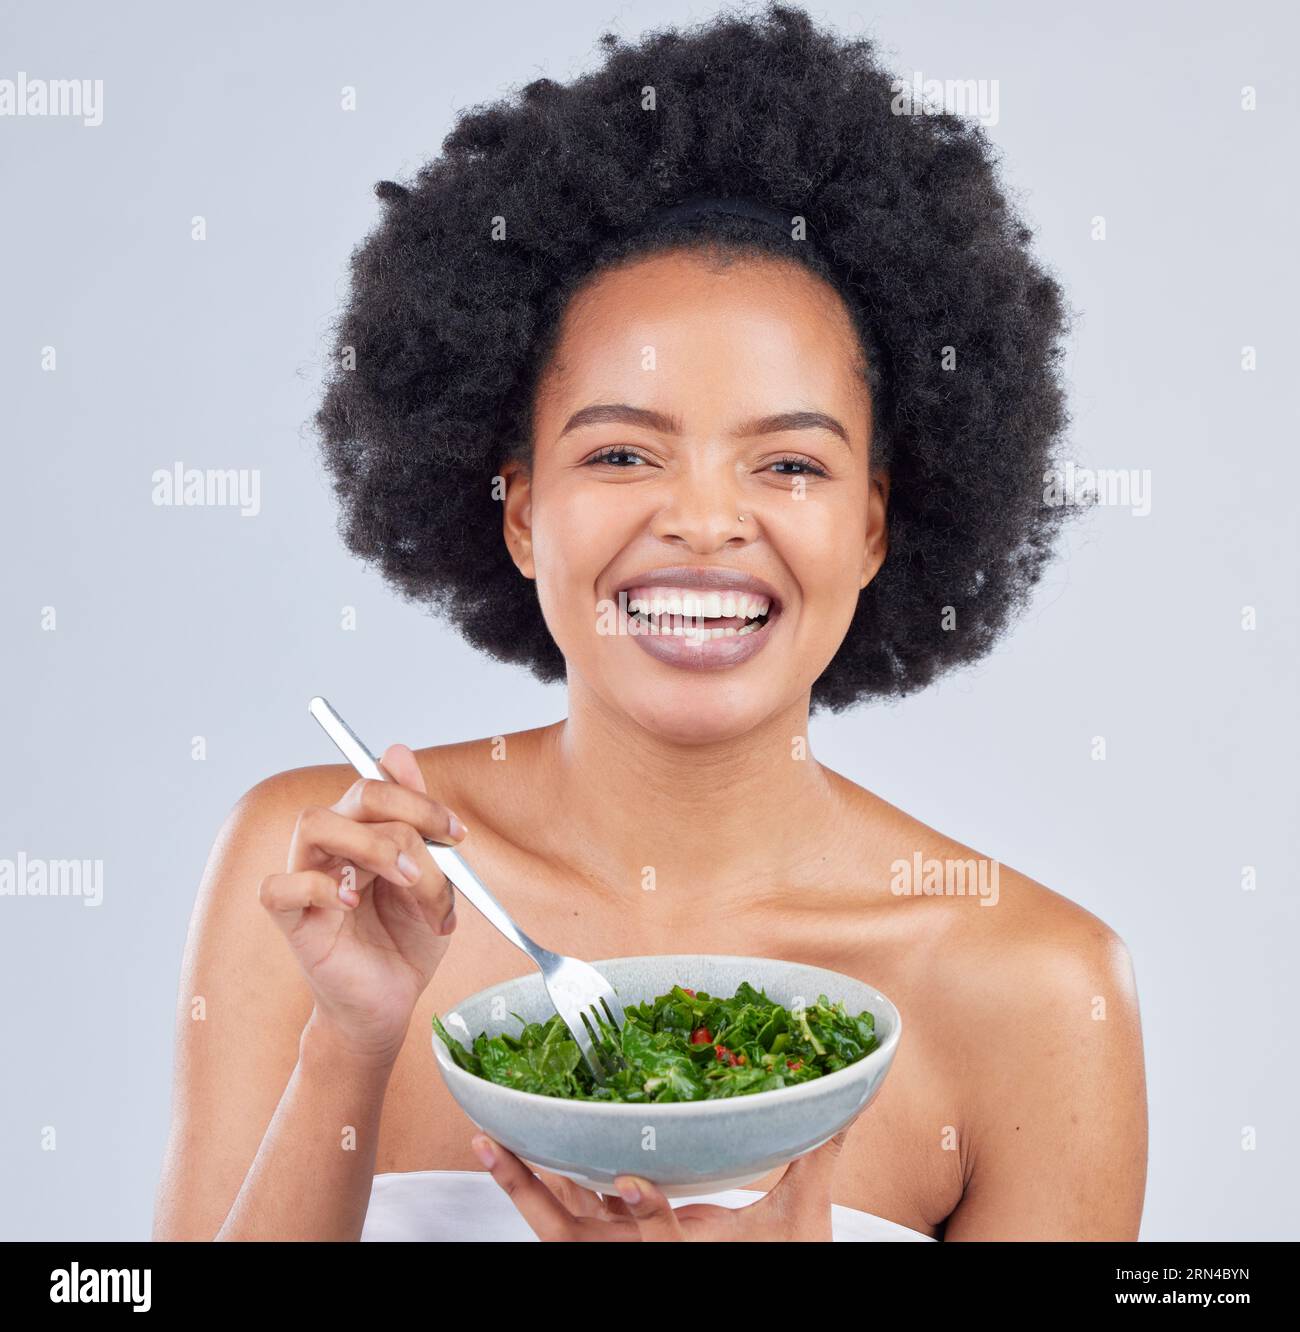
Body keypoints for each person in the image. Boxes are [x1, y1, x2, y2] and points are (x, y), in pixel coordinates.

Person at [153, 2, 1147, 1242]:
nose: (704, 522)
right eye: (622, 452)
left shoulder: (1039, 993)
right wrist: (348, 1045)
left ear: (877, 527)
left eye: (788, 466)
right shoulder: (324, 882)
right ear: (519, 512)